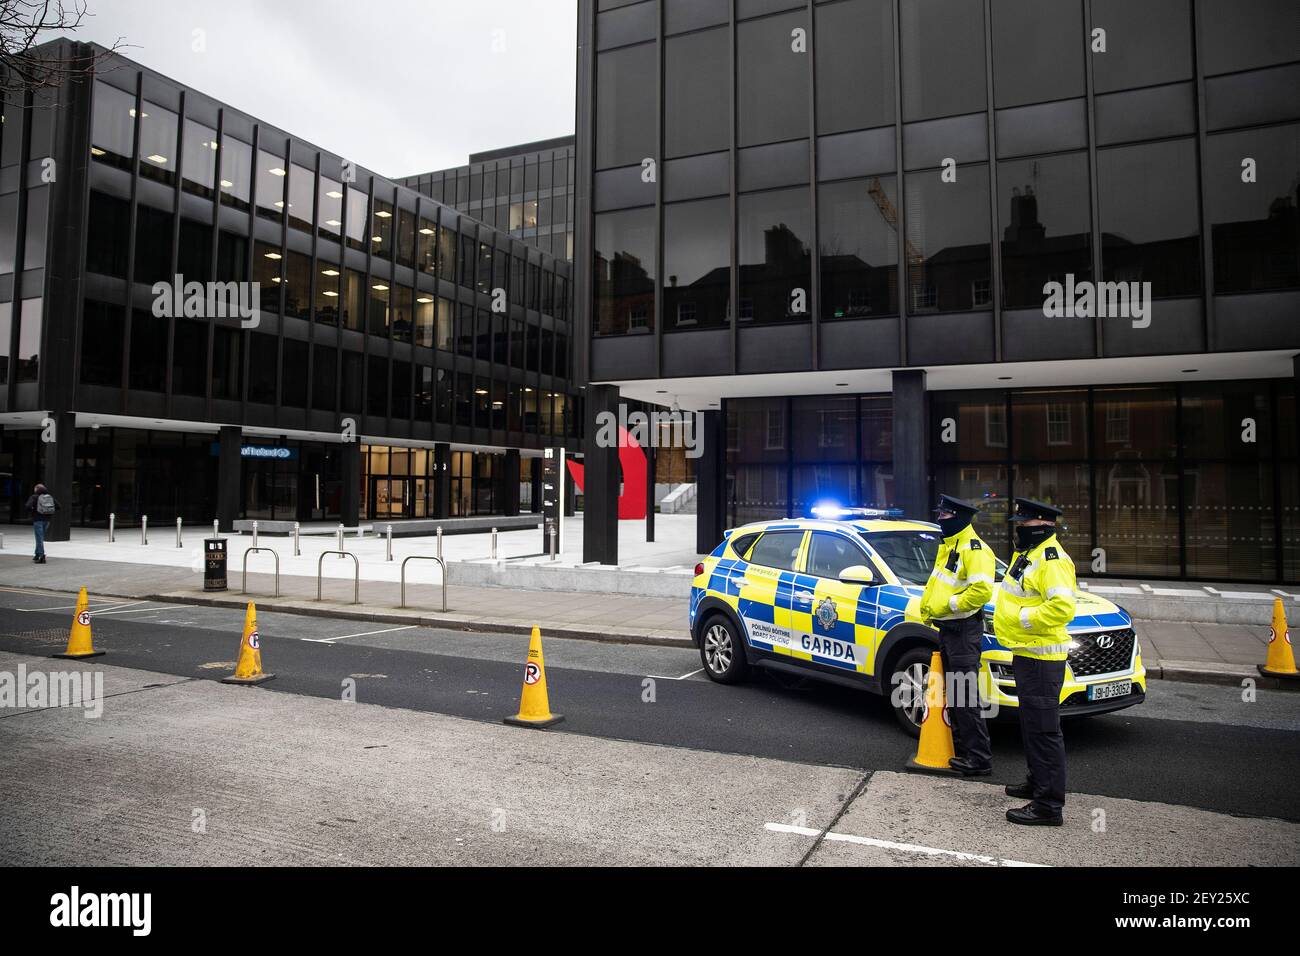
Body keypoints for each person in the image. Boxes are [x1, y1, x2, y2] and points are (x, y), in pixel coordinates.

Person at [994, 497, 1076, 826]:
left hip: (1042, 657)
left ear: (1042, 525)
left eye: (1023, 524)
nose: (1018, 529)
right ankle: (1036, 782)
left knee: (1044, 731)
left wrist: (1024, 619)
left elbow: (1062, 608)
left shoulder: (1052, 560)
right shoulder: (1028, 555)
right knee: (1031, 726)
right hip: (1026, 653)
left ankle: (1048, 806)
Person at [919, 494, 995, 776]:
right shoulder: (952, 546)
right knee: (955, 694)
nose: (940, 519)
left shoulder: (973, 550)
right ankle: (964, 751)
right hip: (950, 630)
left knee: (965, 696)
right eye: (940, 514)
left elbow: (981, 591)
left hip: (963, 630)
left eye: (946, 515)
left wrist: (948, 606)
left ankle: (979, 758)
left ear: (960, 518)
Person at [25, 482, 59, 564]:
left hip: (37, 520)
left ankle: (42, 556)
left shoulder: (34, 497)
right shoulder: (49, 497)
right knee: (40, 538)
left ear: (36, 489)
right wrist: (48, 512)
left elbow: (27, 506)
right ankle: (37, 554)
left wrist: (33, 511)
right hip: (47, 521)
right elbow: (58, 506)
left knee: (39, 538)